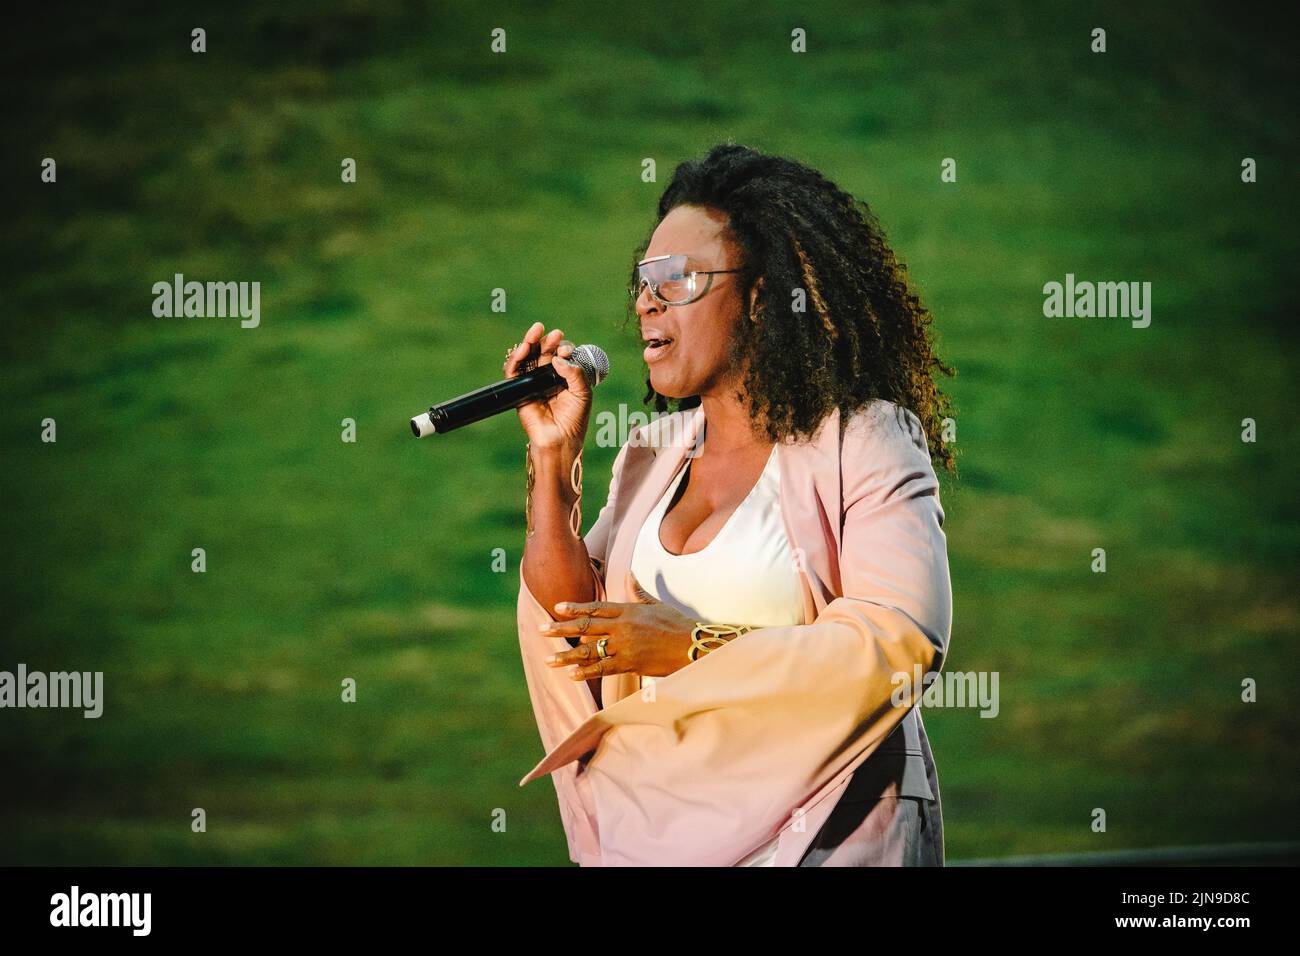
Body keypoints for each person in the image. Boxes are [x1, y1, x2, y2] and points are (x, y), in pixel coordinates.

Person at [507, 143, 956, 866]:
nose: (646, 300)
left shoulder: (864, 440)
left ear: (760, 295)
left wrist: (692, 644)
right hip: (649, 837)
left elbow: (899, 645)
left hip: (814, 839)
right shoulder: (649, 455)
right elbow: (573, 632)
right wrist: (553, 460)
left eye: (678, 279)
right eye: (643, 280)